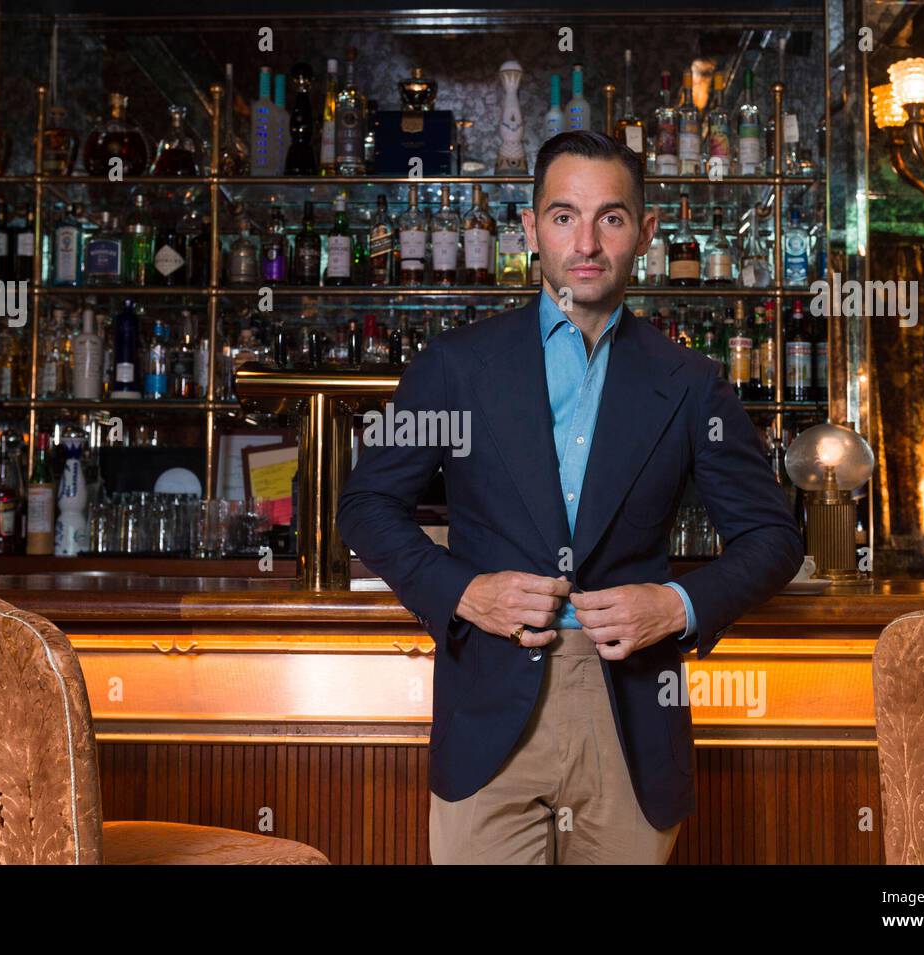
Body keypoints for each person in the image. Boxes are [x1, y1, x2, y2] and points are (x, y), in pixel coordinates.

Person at [337, 130, 804, 864]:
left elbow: (774, 538)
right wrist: (464, 593)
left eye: (611, 218)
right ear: (529, 229)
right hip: (489, 694)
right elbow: (365, 505)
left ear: (646, 232)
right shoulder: (456, 367)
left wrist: (675, 605)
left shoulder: (690, 381)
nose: (585, 242)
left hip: (632, 711)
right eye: (563, 216)